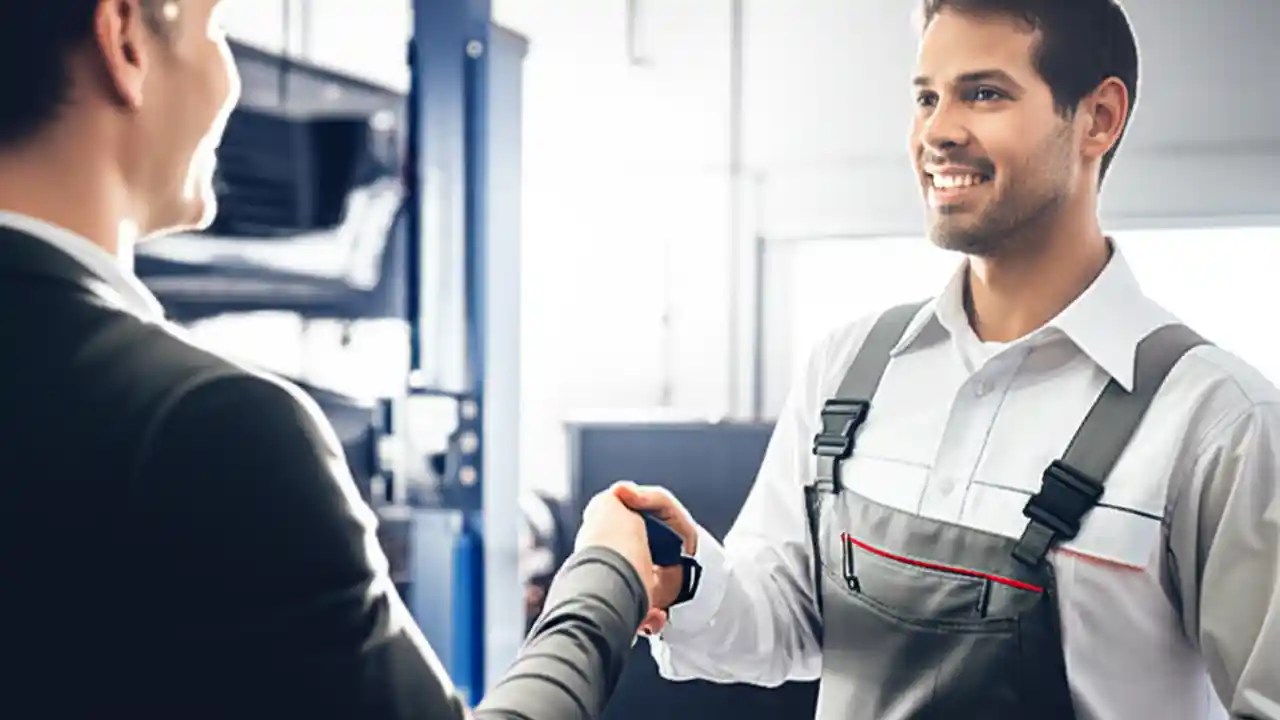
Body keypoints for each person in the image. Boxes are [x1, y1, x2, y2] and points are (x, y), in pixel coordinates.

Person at [614, 1, 1280, 718]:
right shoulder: (848, 371)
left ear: (1099, 118)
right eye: (927, 97)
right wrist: (685, 577)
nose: (937, 131)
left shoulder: (1220, 426)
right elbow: (785, 622)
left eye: (984, 93)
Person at [0, 1, 654, 717]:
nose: (229, 79)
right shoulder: (210, 429)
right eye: (213, 29)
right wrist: (605, 582)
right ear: (124, 37)